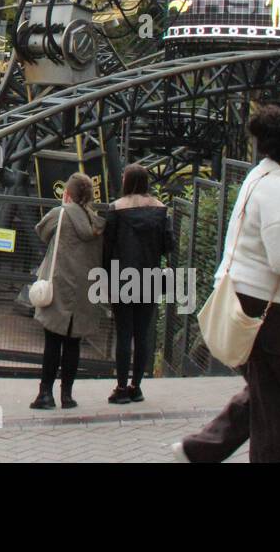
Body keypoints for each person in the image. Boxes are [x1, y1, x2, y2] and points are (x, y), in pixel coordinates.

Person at [173, 105, 280, 463]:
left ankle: (199, 450)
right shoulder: (279, 191)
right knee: (279, 408)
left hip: (256, 304)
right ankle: (202, 450)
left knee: (266, 393)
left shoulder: (266, 179)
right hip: (271, 314)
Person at [30, 173, 105, 410]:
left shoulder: (59, 213)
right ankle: (67, 396)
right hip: (84, 290)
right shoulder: (97, 223)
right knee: (73, 343)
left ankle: (45, 394)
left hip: (59, 285)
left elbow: (42, 233)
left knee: (52, 341)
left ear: (68, 192)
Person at [102, 164, 172, 404]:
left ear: (126, 181)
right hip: (150, 277)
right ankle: (136, 386)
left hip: (122, 277)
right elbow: (168, 246)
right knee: (142, 334)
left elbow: (107, 248)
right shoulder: (161, 210)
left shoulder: (116, 209)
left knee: (124, 333)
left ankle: (120, 388)